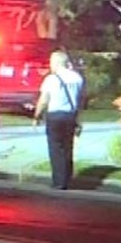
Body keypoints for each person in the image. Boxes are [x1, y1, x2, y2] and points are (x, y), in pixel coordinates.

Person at [33, 50, 85, 190]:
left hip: (55, 116)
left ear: (56, 62)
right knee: (68, 147)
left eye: (51, 62)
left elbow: (44, 100)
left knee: (56, 148)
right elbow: (80, 100)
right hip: (70, 116)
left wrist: (37, 115)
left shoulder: (51, 79)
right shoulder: (77, 78)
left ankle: (58, 181)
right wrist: (78, 120)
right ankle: (68, 178)